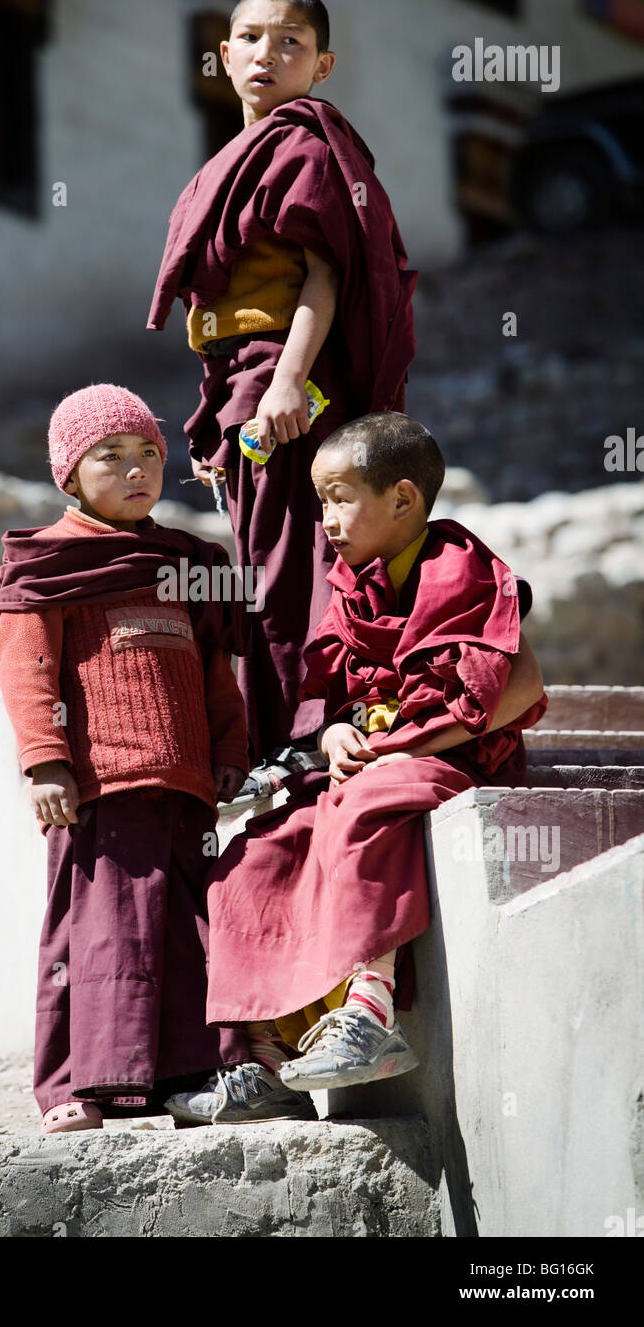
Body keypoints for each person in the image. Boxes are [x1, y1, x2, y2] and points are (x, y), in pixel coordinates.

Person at [165, 414, 548, 1125]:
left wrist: (403, 747)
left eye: (341, 497)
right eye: (320, 501)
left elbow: (516, 689)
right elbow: (345, 699)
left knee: (365, 804)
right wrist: (340, 729)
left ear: (403, 500)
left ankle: (369, 1015)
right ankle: (268, 1060)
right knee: (258, 850)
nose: (327, 519)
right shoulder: (356, 583)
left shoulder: (461, 571)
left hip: (453, 760)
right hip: (376, 760)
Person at [0, 384, 317, 1132]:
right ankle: (72, 1089)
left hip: (187, 786)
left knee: (187, 936)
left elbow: (217, 671)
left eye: (149, 455)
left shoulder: (182, 561)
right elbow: (27, 671)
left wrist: (231, 752)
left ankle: (191, 1080)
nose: (136, 470)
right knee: (94, 934)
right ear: (69, 475)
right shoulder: (47, 566)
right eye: (111, 457)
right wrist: (46, 763)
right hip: (99, 786)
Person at [148, 0, 417, 771]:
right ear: (225, 55)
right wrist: (213, 418)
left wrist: (288, 382)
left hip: (290, 383)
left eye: (292, 42)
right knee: (261, 547)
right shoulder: (230, 158)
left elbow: (324, 278)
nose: (270, 54)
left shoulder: (305, 143)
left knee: (297, 547)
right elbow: (214, 309)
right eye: (253, 39)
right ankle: (281, 732)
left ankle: (313, 724)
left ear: (322, 65)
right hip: (243, 387)